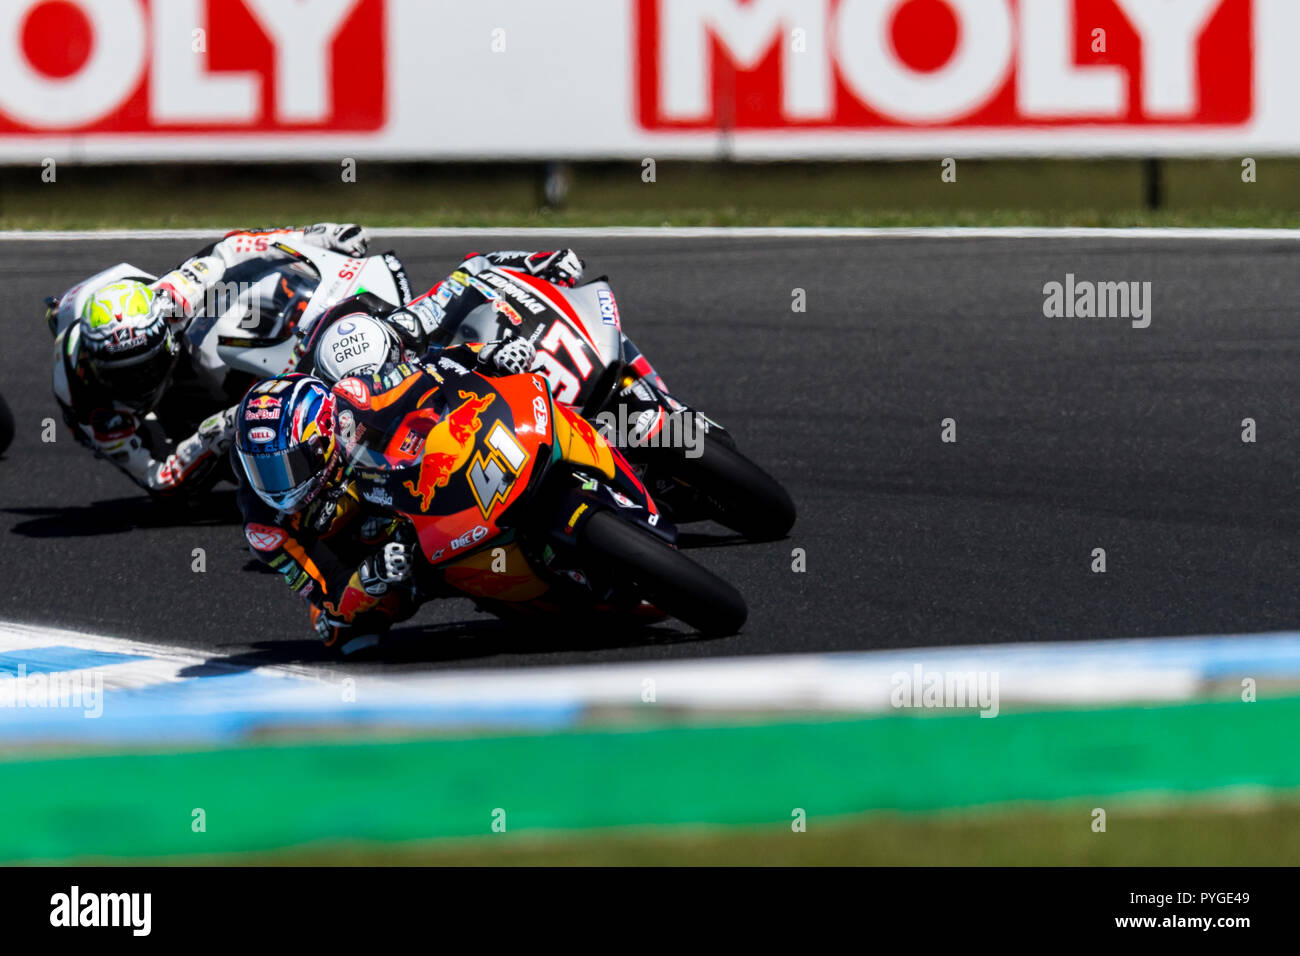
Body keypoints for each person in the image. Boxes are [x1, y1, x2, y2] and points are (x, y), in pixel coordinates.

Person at [233, 337, 536, 656]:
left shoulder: (353, 401)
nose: (275, 485)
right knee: (341, 634)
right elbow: (329, 591)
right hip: (375, 556)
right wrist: (370, 576)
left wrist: (487, 352)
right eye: (260, 468)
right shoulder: (265, 528)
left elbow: (427, 367)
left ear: (321, 439)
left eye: (286, 466)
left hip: (411, 489)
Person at [48, 223, 369, 496]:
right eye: (126, 375)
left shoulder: (170, 301)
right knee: (183, 493)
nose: (139, 381)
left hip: (166, 349)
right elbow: (159, 478)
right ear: (97, 367)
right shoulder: (98, 412)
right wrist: (218, 430)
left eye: (145, 368)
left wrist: (315, 236)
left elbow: (229, 249)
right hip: (128, 414)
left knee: (241, 295)